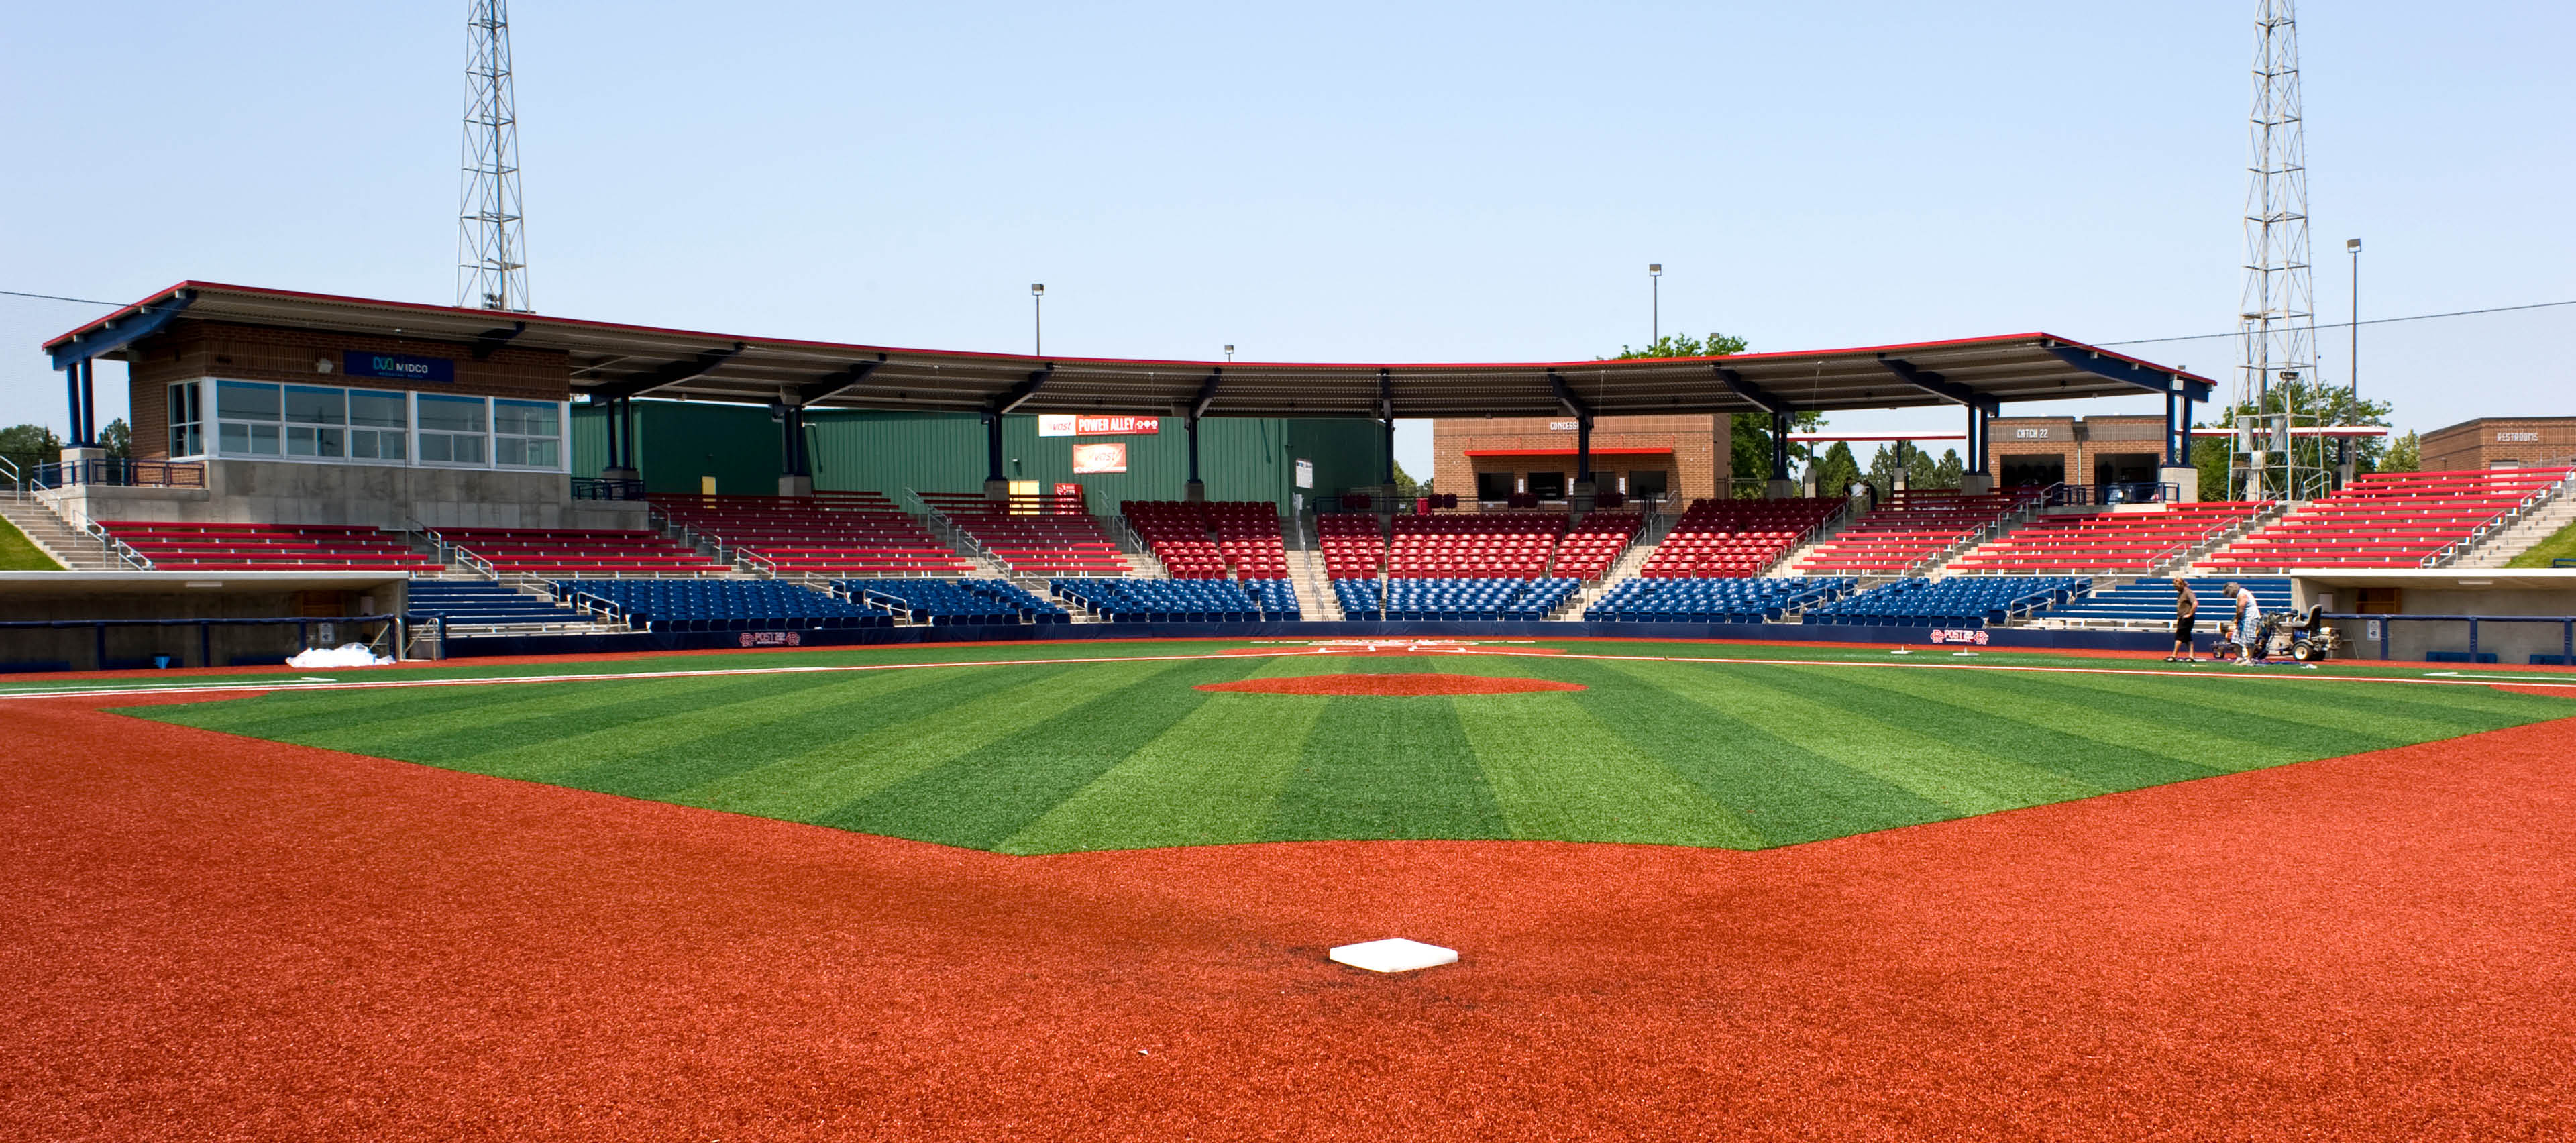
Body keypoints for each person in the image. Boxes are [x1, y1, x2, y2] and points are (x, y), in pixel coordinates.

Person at [2226, 581, 2263, 665]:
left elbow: (2241, 609)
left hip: (2250, 618)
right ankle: (2240, 658)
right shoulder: (2241, 593)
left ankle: (2249, 659)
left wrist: (2237, 618)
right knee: (2235, 639)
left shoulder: (2242, 594)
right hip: (2243, 619)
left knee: (2249, 639)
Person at [2166, 578, 2198, 663]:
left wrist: (2189, 614)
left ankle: (2174, 655)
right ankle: (2191, 656)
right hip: (2182, 618)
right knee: (2188, 638)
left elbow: (2195, 603)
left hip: (2186, 618)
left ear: (2181, 584)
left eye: (2177, 586)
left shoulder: (2188, 592)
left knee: (2179, 636)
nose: (2176, 588)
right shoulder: (2180, 593)